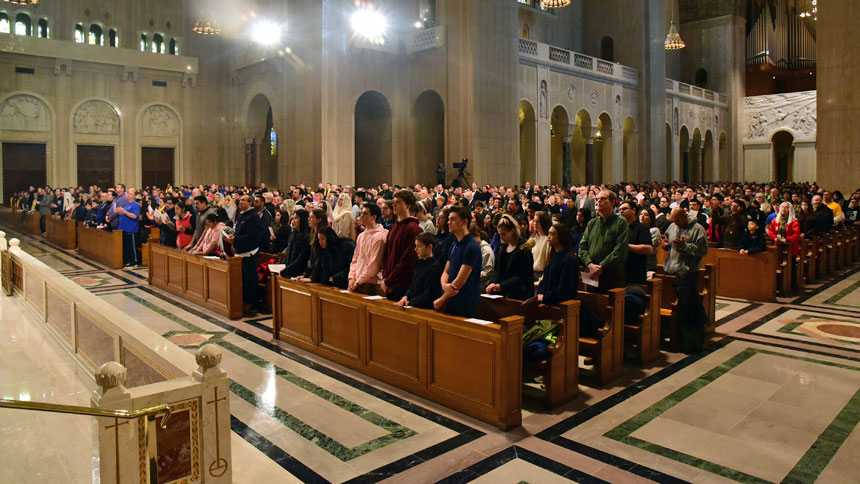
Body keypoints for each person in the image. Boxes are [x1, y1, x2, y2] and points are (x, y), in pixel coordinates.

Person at [659, 207, 709, 354]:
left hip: (687, 273)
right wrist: (665, 245)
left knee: (686, 309)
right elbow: (668, 242)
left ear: (683, 216)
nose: (674, 223)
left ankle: (687, 340)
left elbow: (703, 250)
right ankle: (669, 333)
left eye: (676, 220)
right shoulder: (673, 226)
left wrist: (685, 246)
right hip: (671, 270)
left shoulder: (697, 229)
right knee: (671, 305)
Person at [434, 206, 482, 317]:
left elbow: (461, 280)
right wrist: (444, 285)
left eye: (453, 219)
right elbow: (446, 271)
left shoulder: (471, 247)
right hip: (452, 298)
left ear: (464, 222)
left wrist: (442, 299)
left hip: (466, 301)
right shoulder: (455, 243)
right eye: (449, 219)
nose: (448, 222)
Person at [578, 190, 629, 292]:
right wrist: (590, 265)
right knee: (589, 302)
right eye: (597, 199)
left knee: (609, 305)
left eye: (603, 199)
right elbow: (582, 247)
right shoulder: (592, 223)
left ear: (612, 202)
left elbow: (619, 250)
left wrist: (601, 267)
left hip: (611, 275)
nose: (598, 201)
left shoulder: (621, 222)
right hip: (591, 273)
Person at [226, 194, 266, 315]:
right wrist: (233, 236)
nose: (240, 202)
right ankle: (244, 301)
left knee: (249, 279)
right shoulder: (243, 215)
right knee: (243, 279)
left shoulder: (253, 216)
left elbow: (252, 236)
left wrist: (236, 240)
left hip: (249, 253)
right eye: (240, 200)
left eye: (243, 200)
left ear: (249, 203)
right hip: (240, 251)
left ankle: (251, 303)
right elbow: (239, 231)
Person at [381, 190, 422, 301]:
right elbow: (386, 255)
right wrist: (385, 277)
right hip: (390, 282)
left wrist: (389, 280)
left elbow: (407, 260)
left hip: (403, 285)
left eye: (398, 202)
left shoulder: (412, 229)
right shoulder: (394, 227)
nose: (394, 205)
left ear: (408, 205)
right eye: (394, 202)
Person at [486, 214, 534, 300]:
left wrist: (502, 285)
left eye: (503, 234)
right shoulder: (503, 247)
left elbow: (521, 275)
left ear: (512, 231)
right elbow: (497, 269)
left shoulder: (524, 248)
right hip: (503, 292)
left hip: (519, 294)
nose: (501, 237)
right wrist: (493, 282)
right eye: (500, 234)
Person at [348, 202, 388, 295]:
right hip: (358, 280)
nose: (361, 216)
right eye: (361, 213)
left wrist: (358, 281)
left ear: (373, 217)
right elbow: (355, 259)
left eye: (365, 214)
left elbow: (374, 264)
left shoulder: (379, 237)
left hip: (371, 283)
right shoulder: (361, 236)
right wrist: (351, 278)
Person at [396, 233, 443, 309]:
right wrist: (406, 296)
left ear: (429, 247)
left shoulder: (435, 267)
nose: (415, 249)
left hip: (425, 309)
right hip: (414, 305)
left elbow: (428, 294)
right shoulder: (420, 263)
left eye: (419, 246)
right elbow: (413, 286)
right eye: (415, 246)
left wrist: (410, 302)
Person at [536, 224, 579, 306]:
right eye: (548, 233)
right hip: (549, 302)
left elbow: (564, 289)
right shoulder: (553, 255)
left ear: (561, 236)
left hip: (562, 305)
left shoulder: (569, 259)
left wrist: (545, 299)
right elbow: (545, 280)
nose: (548, 237)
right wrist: (540, 295)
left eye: (552, 234)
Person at [619, 200, 653, 285]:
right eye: (620, 209)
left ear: (633, 210)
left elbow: (649, 249)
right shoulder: (620, 228)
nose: (621, 211)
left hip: (634, 274)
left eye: (624, 209)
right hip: (620, 273)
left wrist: (625, 246)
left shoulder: (641, 228)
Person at [280, 211, 311, 278]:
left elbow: (301, 258)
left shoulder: (306, 236)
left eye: (296, 218)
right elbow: (288, 253)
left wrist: (286, 270)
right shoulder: (294, 233)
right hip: (289, 269)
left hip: (298, 272)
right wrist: (283, 266)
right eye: (293, 218)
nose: (293, 221)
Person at [116, 188, 140, 267]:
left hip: (131, 229)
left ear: (134, 196)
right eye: (128, 193)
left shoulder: (135, 204)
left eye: (130, 194)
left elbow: (134, 216)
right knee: (126, 246)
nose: (128, 195)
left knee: (131, 246)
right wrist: (119, 212)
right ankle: (128, 260)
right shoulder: (127, 204)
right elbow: (124, 214)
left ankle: (134, 261)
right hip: (124, 228)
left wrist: (124, 211)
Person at [530, 211, 552, 281]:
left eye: (538, 222)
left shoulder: (548, 239)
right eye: (534, 221)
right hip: (531, 272)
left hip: (540, 274)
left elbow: (547, 262)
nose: (535, 224)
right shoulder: (533, 238)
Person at [639, 208, 662, 272]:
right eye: (641, 214)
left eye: (646, 215)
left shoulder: (654, 230)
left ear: (651, 219)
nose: (642, 216)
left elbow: (650, 247)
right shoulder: (638, 230)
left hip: (649, 265)